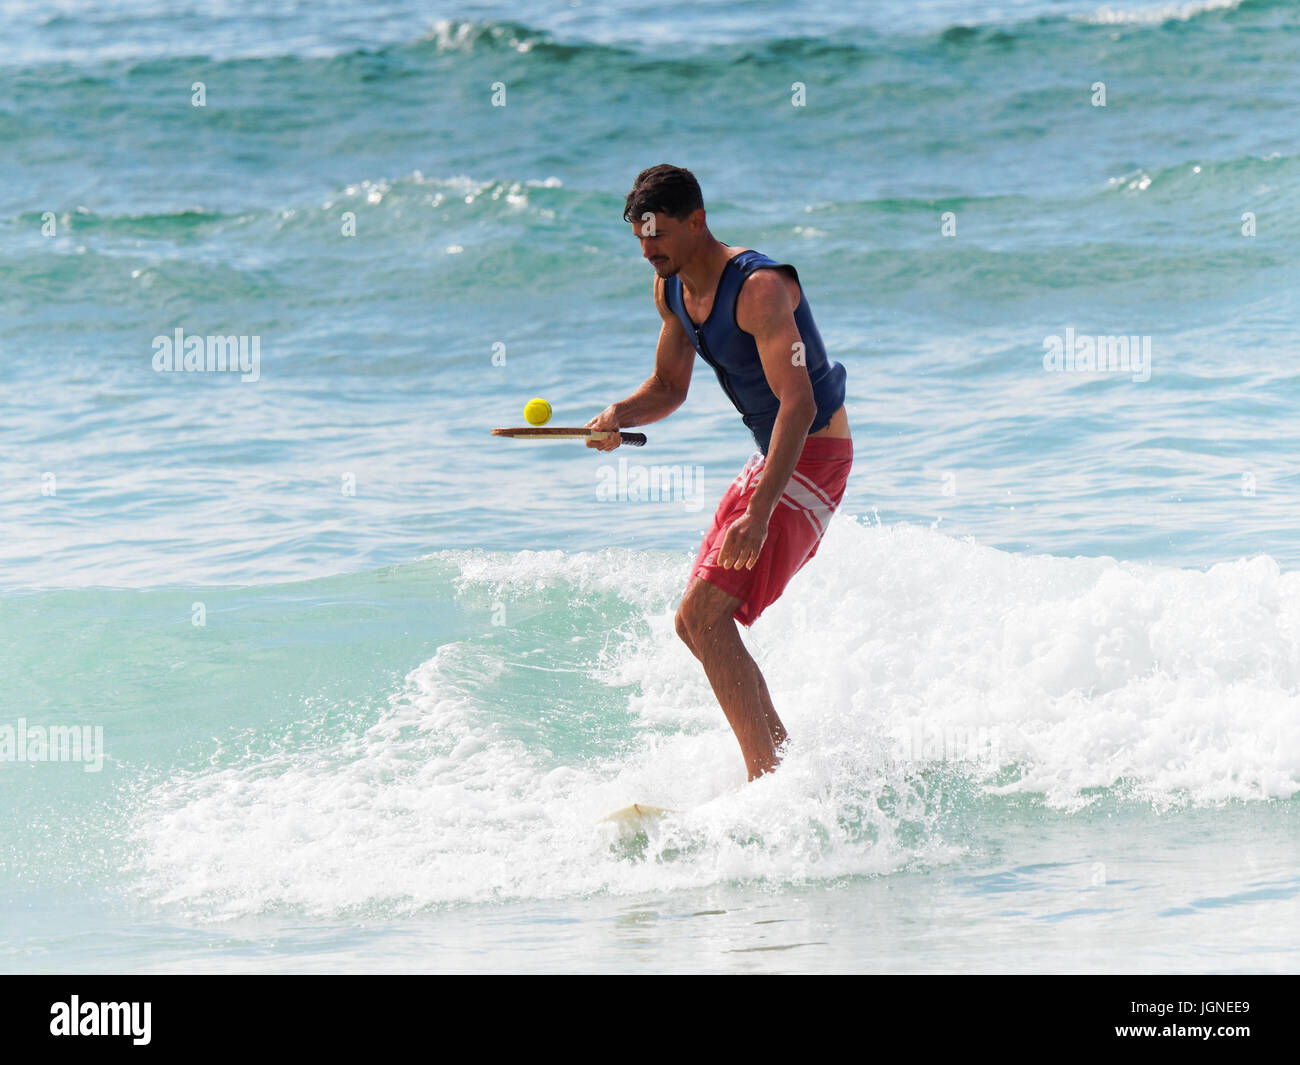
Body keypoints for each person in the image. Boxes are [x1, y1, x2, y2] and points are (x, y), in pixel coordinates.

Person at [586, 164, 853, 780]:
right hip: (774, 458)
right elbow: (668, 387)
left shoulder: (760, 289)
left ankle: (768, 780)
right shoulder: (672, 289)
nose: (649, 250)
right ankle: (782, 772)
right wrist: (617, 415)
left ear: (697, 221)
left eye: (658, 235)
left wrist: (759, 514)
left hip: (813, 457)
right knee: (694, 622)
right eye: (640, 239)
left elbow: (800, 403)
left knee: (705, 617)